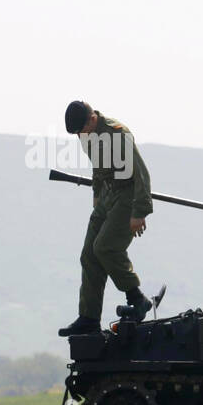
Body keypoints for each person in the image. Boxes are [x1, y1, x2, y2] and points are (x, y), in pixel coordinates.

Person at [57, 101, 154, 336]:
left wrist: (139, 212)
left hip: (127, 195)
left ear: (92, 119)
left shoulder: (117, 133)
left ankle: (137, 299)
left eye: (82, 129)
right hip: (107, 195)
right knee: (89, 253)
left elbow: (141, 173)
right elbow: (98, 168)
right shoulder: (84, 133)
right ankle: (89, 318)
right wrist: (97, 196)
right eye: (77, 132)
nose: (81, 135)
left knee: (105, 247)